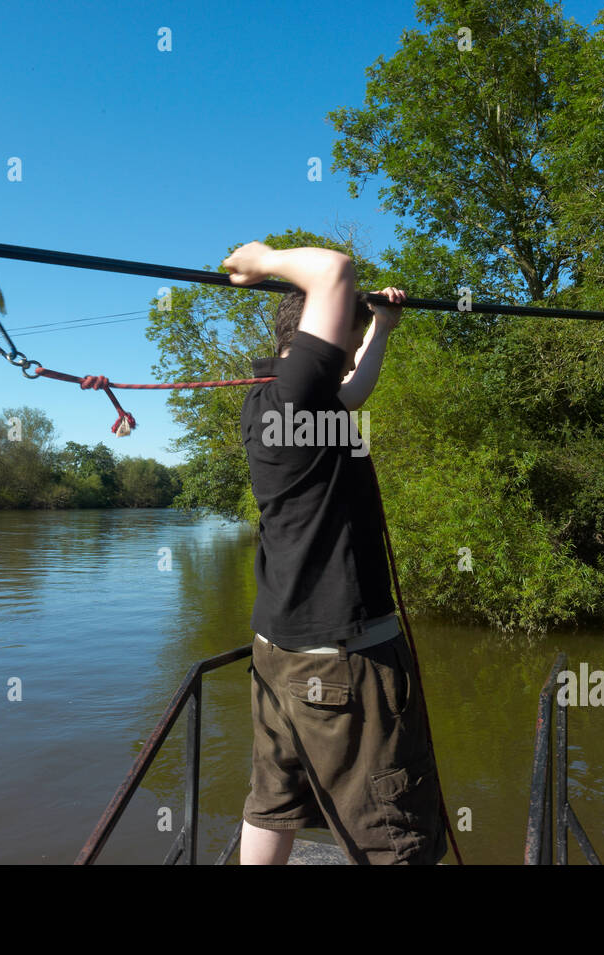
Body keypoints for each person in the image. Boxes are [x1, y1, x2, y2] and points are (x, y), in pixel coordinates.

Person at [222, 241, 447, 865]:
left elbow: (352, 393)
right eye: (345, 337)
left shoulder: (279, 405)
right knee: (392, 831)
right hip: (345, 663)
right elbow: (332, 268)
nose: (348, 359)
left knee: (273, 800)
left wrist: (383, 329)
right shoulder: (297, 396)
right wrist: (260, 259)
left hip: (280, 655)